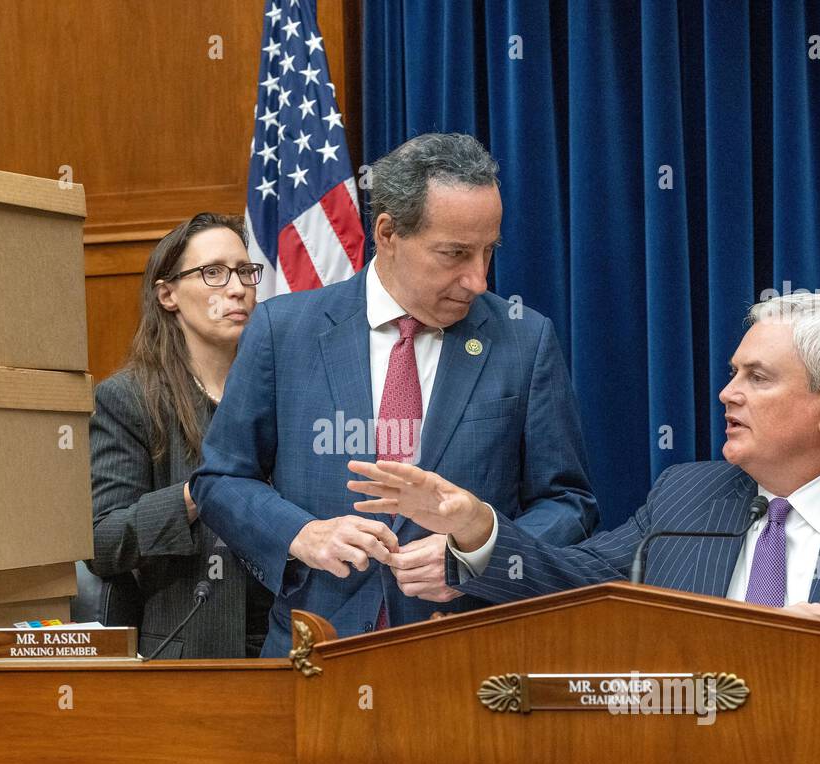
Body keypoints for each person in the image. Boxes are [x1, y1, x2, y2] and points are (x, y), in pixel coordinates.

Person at [348, 291, 820, 650]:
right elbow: (575, 581)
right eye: (733, 373)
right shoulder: (688, 495)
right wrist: (476, 527)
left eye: (757, 378)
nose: (728, 394)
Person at [191, 133, 598, 657]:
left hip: (468, 656)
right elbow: (221, 479)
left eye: (488, 252)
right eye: (455, 254)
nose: (478, 280)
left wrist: (478, 554)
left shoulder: (524, 339)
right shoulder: (282, 330)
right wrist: (301, 534)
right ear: (387, 233)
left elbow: (568, 503)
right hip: (317, 651)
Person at [89, 213, 273, 658]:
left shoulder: (282, 390)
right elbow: (102, 542)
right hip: (193, 651)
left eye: (245, 271)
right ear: (167, 294)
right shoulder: (129, 398)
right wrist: (197, 494)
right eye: (214, 273)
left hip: (291, 640)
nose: (237, 288)